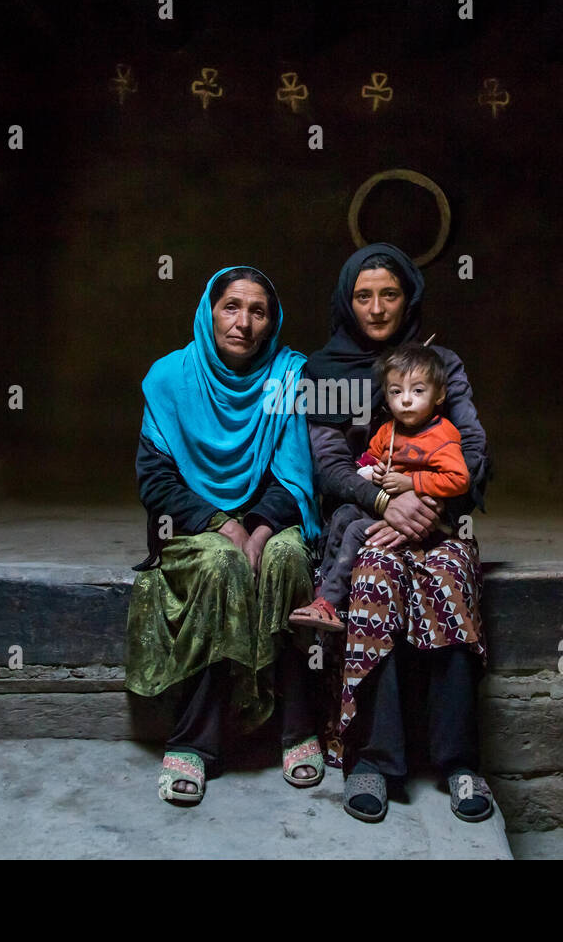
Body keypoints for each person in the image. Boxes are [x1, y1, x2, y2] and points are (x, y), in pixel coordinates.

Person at [303, 243, 495, 823]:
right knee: (374, 578)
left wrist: (425, 503)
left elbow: (474, 449)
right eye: (364, 296)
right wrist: (386, 500)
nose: (378, 308)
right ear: (346, 300)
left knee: (452, 575)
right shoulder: (326, 371)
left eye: (390, 294)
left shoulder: (440, 363)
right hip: (362, 517)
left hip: (435, 518)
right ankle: (374, 759)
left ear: (408, 296)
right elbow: (330, 466)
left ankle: (461, 763)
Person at [126, 266, 326, 805]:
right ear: (208, 312)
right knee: (221, 564)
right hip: (194, 526)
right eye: (231, 307)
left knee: (286, 560)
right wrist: (224, 524)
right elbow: (156, 481)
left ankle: (297, 728)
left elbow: (296, 475)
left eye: (258, 311)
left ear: (273, 321)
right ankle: (196, 740)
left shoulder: (290, 376)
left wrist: (258, 530)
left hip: (273, 520)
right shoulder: (169, 378)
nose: (243, 322)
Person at [289, 342, 469, 632]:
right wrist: (367, 471)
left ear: (440, 395)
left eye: (418, 391)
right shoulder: (390, 429)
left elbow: (459, 479)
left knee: (354, 530)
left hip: (420, 517)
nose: (406, 401)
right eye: (397, 392)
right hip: (384, 507)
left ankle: (331, 602)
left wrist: (412, 482)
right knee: (345, 513)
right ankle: (325, 584)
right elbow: (371, 456)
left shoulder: (442, 435)